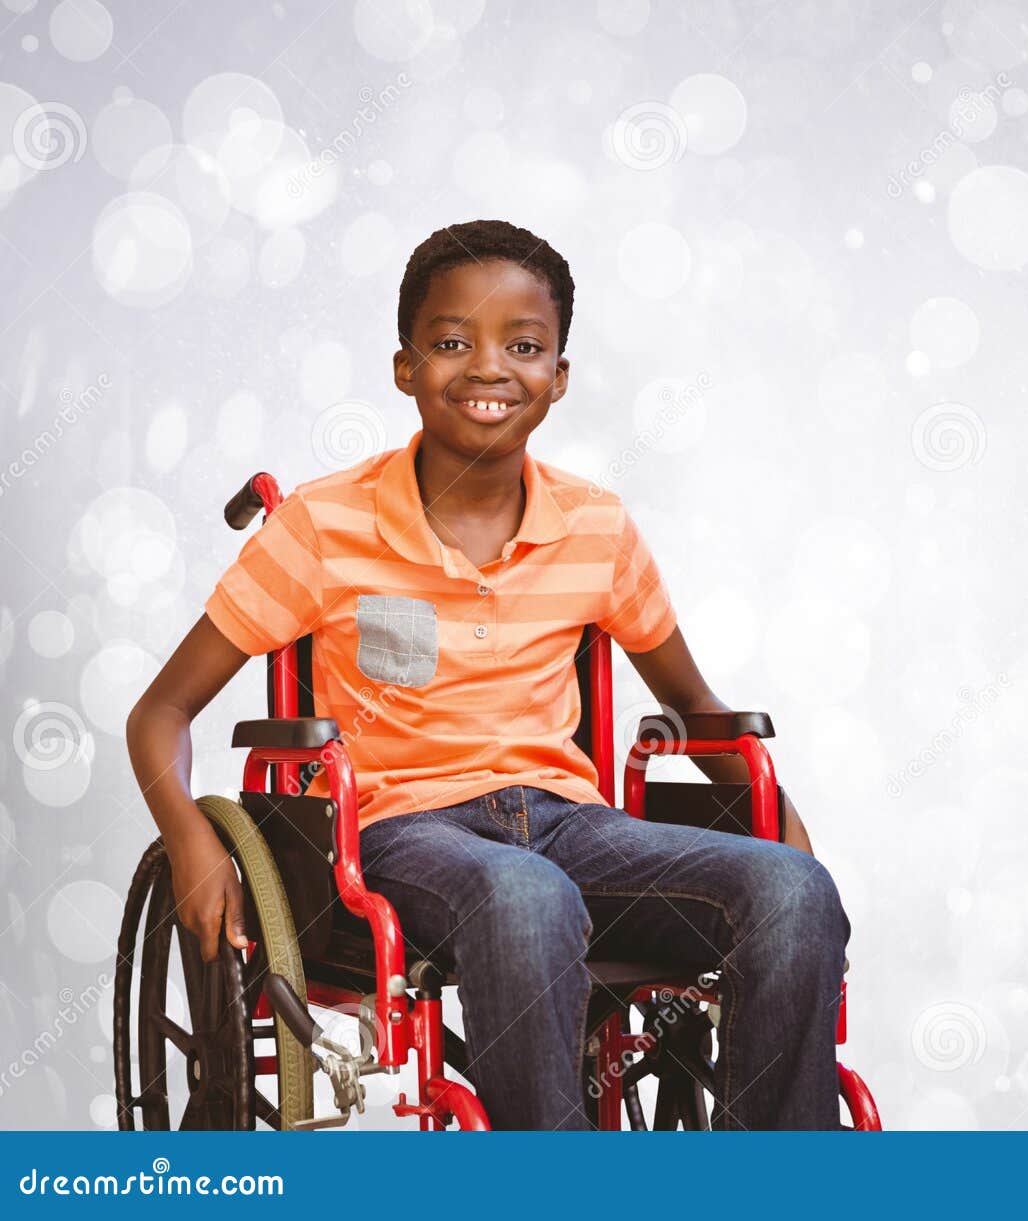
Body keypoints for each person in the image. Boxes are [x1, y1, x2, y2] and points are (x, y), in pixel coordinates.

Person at [125, 218, 850, 1130]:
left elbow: (694, 706)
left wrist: (788, 843)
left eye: (524, 345)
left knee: (791, 890)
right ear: (405, 365)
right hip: (394, 837)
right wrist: (192, 841)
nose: (488, 368)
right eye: (452, 342)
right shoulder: (320, 527)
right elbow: (159, 712)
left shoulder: (596, 527)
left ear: (559, 374)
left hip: (572, 824)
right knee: (523, 892)